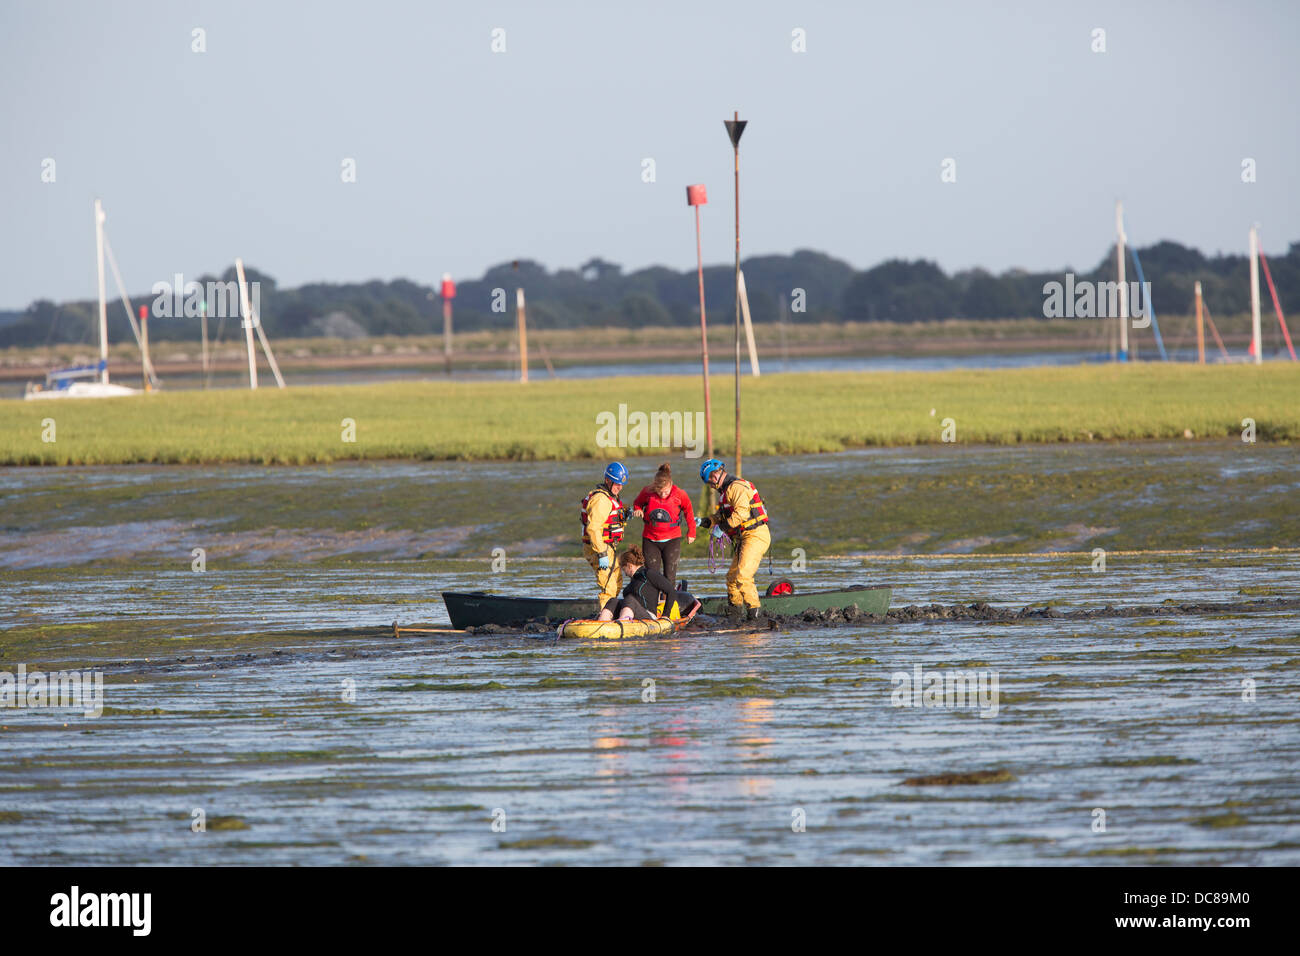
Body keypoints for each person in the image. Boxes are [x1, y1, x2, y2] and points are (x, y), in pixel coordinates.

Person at [696, 458, 771, 621]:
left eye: (709, 481)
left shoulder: (736, 488)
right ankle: (735, 612)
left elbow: (742, 514)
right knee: (731, 577)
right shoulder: (725, 492)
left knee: (743, 575)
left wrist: (721, 529)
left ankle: (754, 614)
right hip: (744, 537)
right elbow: (721, 516)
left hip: (756, 534)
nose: (710, 485)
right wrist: (705, 521)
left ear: (714, 476)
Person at [631, 462, 695, 595]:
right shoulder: (647, 492)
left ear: (671, 485)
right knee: (652, 575)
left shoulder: (680, 494)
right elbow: (637, 503)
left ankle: (668, 606)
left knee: (669, 576)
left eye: (665, 491)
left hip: (672, 539)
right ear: (655, 486)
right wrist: (637, 510)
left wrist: (691, 532)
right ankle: (652, 607)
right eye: (659, 491)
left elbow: (688, 511)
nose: (662, 494)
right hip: (650, 539)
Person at [597, 545, 701, 623]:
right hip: (634, 615)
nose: (624, 573)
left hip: (649, 618)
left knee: (629, 599)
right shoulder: (633, 582)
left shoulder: (649, 574)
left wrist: (666, 615)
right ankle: (601, 622)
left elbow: (671, 591)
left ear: (629, 566)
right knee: (613, 600)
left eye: (624, 569)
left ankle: (624, 623)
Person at [581, 461, 630, 611]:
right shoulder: (601, 500)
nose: (619, 487)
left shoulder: (611, 497)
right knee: (608, 583)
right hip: (599, 548)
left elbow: (611, 520)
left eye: (621, 484)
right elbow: (593, 528)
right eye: (616, 484)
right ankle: (605, 618)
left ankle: (611, 612)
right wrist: (601, 553)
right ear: (607, 480)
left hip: (609, 548)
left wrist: (625, 516)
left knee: (617, 581)